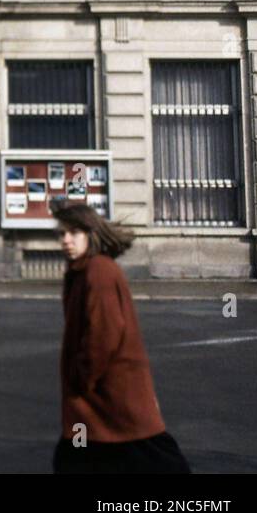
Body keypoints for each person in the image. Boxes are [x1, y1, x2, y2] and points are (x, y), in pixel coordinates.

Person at [51, 202, 191, 474]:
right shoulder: (82, 271)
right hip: (97, 403)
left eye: (74, 232)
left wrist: (81, 378)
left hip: (111, 394)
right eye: (62, 234)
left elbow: (104, 334)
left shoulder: (99, 271)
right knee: (75, 457)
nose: (66, 239)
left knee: (151, 454)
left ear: (91, 234)